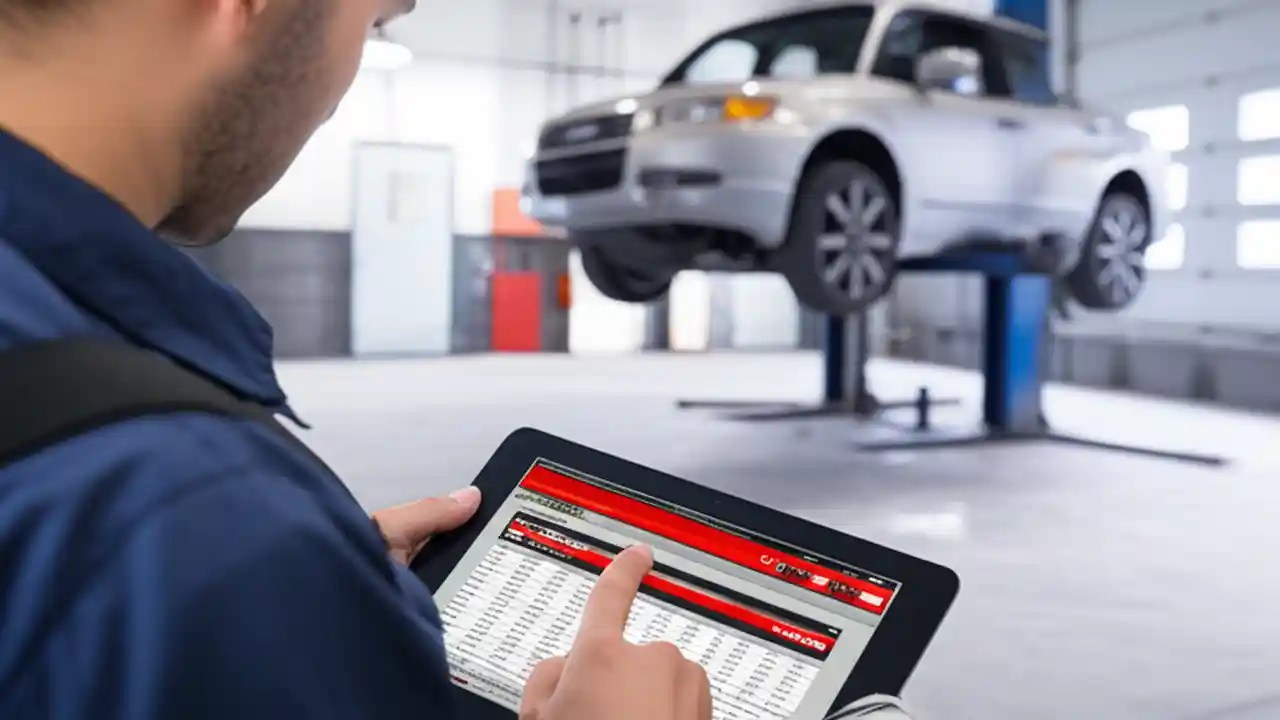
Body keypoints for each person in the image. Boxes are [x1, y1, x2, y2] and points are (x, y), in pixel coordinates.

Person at [0, 2, 910, 719]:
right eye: (374, 20)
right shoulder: (186, 516)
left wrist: (303, 589)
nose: (341, 84)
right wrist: (258, 574)